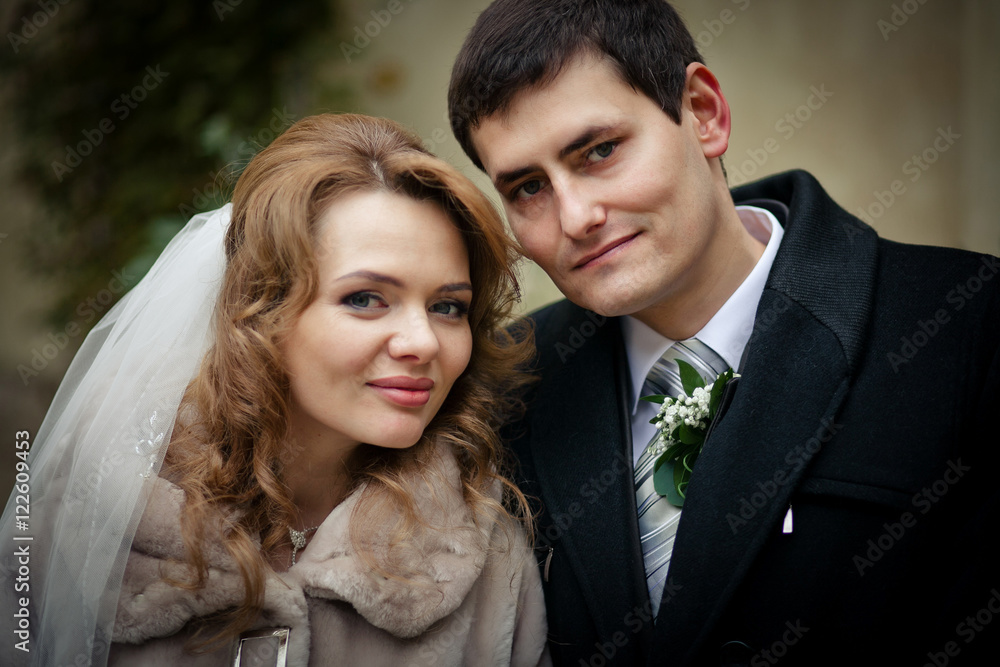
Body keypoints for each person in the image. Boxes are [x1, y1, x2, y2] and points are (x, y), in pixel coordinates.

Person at [447, 1, 1000, 665]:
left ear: (704, 113)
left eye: (599, 151)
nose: (576, 216)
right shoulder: (501, 388)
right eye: (528, 187)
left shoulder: (966, 323)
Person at [0, 113, 549, 666]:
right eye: (365, 298)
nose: (422, 342)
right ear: (260, 312)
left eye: (447, 306)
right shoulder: (82, 531)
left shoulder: (485, 559)